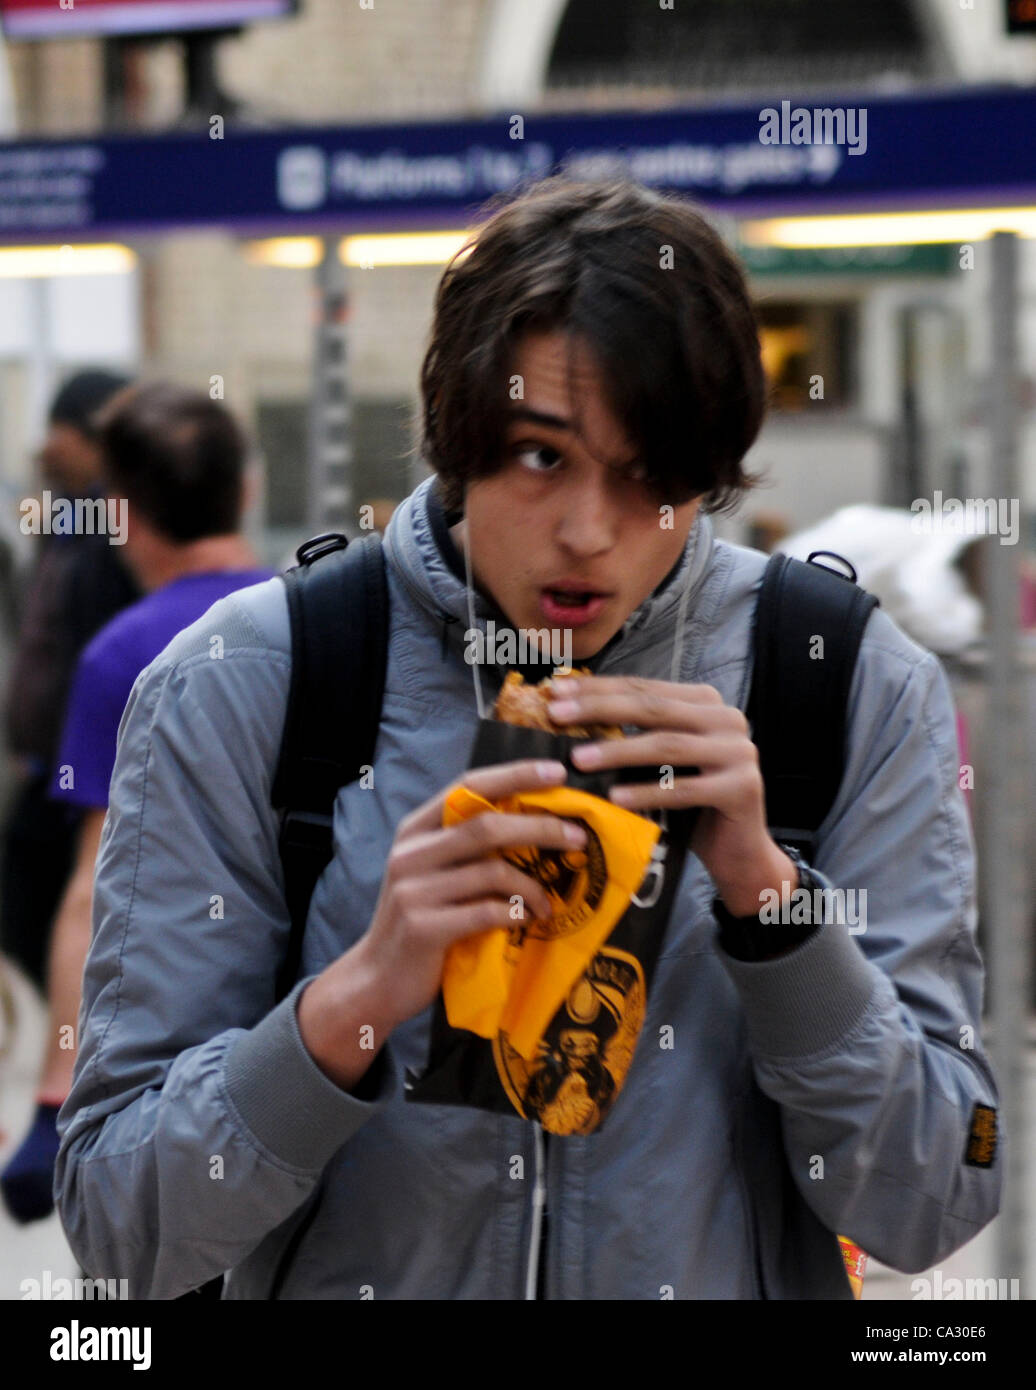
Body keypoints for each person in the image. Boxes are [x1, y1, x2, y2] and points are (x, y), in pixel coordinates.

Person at [55, 177, 1001, 1299]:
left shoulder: (842, 681)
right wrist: (355, 995)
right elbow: (122, 1222)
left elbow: (933, 1197)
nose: (590, 534)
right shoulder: (254, 683)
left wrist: (770, 902)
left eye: (652, 476)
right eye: (542, 457)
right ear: (457, 436)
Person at [1, 382, 271, 1224]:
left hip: (160, 1063)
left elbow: (93, 890)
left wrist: (53, 1099)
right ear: (249, 489)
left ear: (120, 510)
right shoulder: (309, 616)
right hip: (292, 1046)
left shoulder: (122, 655)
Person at [0, 370, 139, 992]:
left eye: (57, 433)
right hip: (49, 767)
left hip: (89, 772)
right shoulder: (72, 521)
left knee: (59, 919)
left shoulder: (115, 529)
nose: (44, 448)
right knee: (26, 918)